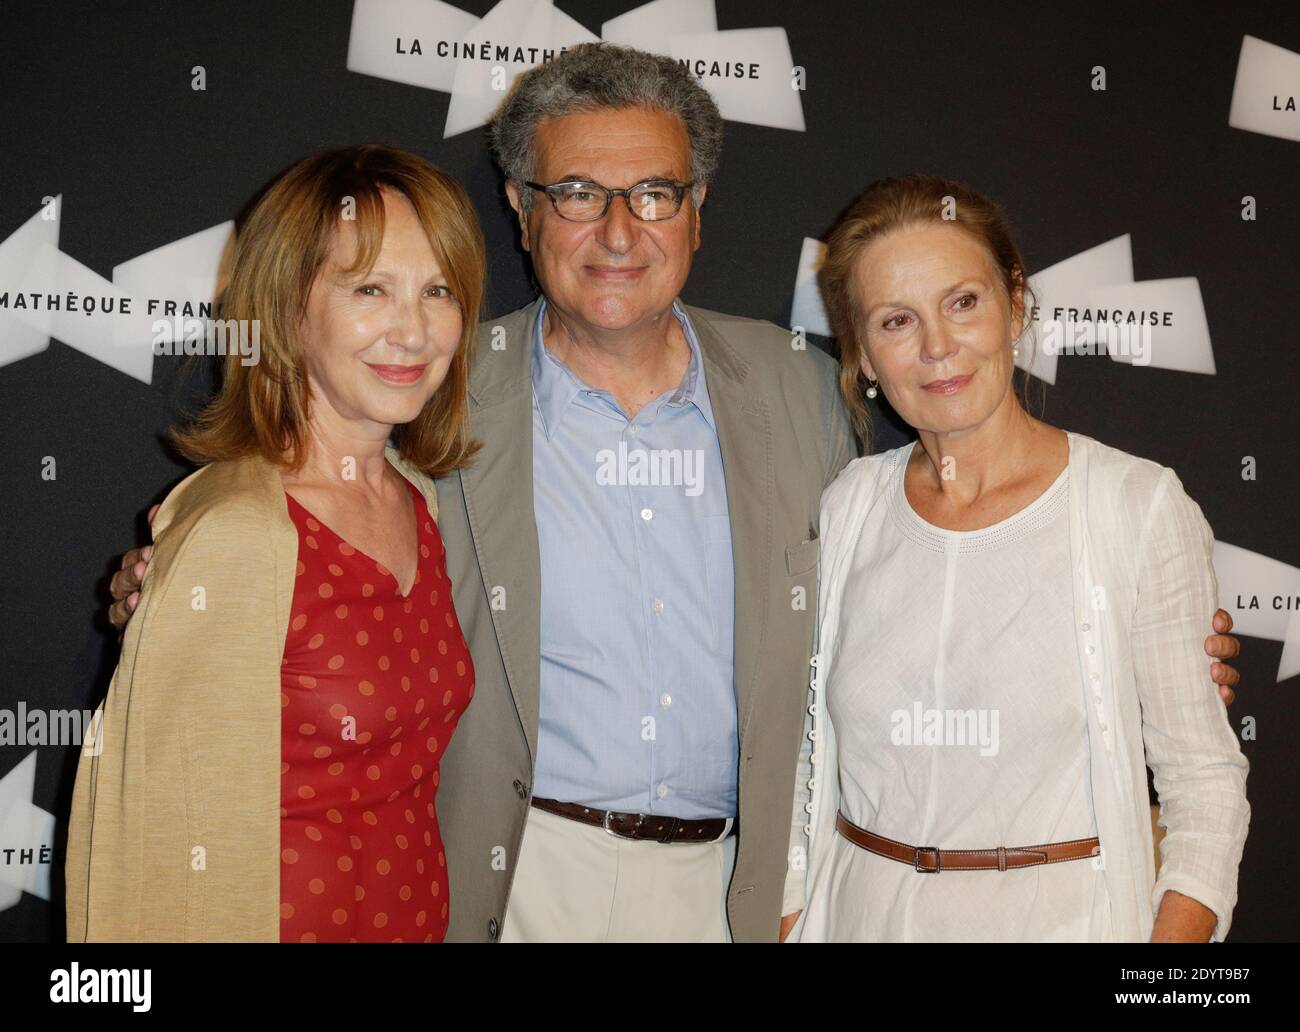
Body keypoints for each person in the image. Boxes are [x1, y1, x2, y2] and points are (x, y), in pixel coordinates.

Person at [105, 44, 1243, 943]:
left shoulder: (804, 396)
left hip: (734, 892)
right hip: (510, 882)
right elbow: (309, 509)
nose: (617, 231)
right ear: (518, 208)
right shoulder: (441, 397)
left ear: (698, 210)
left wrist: (1139, 639)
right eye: (578, 193)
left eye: (653, 193)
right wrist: (178, 576)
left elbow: (958, 557)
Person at [784, 174, 1250, 942]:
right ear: (862, 354)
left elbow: (1204, 786)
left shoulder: (1133, 505)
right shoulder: (849, 508)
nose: (938, 347)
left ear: (1016, 304)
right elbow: (806, 766)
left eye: (962, 302)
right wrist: (793, 918)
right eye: (897, 321)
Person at [69, 144, 486, 941]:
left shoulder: (419, 503)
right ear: (287, 309)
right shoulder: (238, 530)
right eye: (369, 288)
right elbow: (144, 843)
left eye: (438, 290)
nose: (413, 328)